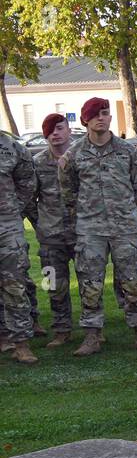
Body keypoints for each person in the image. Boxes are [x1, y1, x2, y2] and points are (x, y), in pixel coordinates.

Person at [60, 98, 137, 356]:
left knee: (132, 281)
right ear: (85, 120)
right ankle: (92, 336)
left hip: (123, 228)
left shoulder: (129, 152)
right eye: (94, 115)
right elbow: (68, 191)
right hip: (90, 230)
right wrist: (83, 215)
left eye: (104, 113)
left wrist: (129, 216)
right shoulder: (74, 154)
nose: (100, 118)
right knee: (90, 284)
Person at [31, 114, 78, 348]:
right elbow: (29, 198)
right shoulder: (37, 163)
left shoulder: (81, 157)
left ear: (69, 130)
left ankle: (94, 329)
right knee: (52, 285)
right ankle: (61, 330)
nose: (55, 133)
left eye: (60, 128)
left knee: (91, 283)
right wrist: (40, 224)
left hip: (83, 234)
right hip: (50, 238)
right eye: (50, 130)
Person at [0, 128, 38, 362]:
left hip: (7, 224)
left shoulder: (12, 147)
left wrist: (14, 210)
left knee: (14, 283)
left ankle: (21, 343)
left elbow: (27, 183)